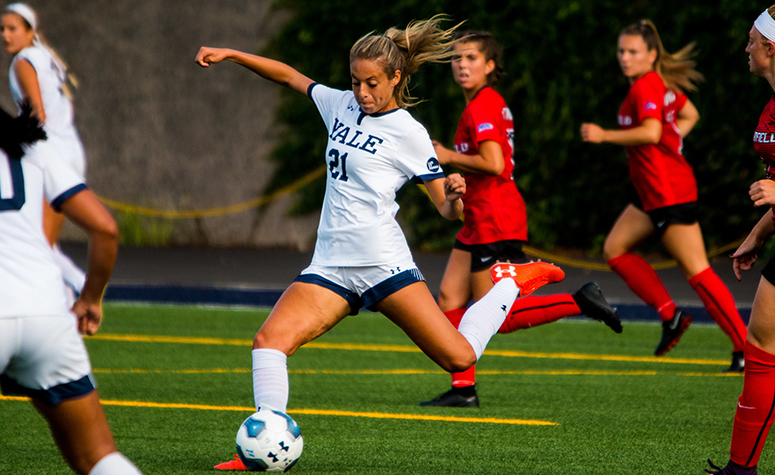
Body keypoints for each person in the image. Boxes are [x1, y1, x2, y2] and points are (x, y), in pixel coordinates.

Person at [195, 16, 565, 471]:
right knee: (269, 341)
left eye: (373, 83)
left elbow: (447, 212)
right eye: (355, 82)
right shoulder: (339, 105)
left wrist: (453, 198)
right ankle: (260, 444)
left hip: (384, 266)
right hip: (330, 267)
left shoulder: (408, 132)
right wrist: (232, 54)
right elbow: (290, 75)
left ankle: (509, 281)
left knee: (458, 357)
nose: (363, 93)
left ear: (396, 78)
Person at [419, 31, 622, 408]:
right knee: (449, 296)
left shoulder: (482, 105)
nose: (462, 64)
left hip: (494, 216)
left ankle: (579, 302)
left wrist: (447, 155)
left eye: (471, 58)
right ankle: (463, 390)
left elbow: (494, 164)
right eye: (457, 58)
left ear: (491, 65)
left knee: (493, 313)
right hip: (480, 216)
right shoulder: (484, 102)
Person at [580, 20, 747, 371]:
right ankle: (671, 315)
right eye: (621, 51)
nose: (624, 58)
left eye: (633, 52)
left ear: (651, 55)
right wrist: (674, 140)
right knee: (615, 249)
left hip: (668, 190)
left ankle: (745, 348)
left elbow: (653, 131)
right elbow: (690, 114)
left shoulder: (645, 87)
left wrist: (604, 136)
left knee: (697, 270)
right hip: (651, 189)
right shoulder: (654, 84)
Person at [0, 103, 141, 475]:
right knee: (97, 457)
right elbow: (105, 229)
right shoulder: (32, 145)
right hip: (47, 313)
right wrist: (90, 298)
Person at [705, 7, 775, 474]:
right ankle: (740, 468)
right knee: (763, 342)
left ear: (771, 49)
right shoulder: (770, 106)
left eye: (752, 40)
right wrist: (755, 234)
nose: (745, 48)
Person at [2, 2, 86, 303]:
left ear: (31, 31)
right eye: (2, 29)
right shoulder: (44, 56)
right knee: (42, 241)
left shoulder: (23, 61)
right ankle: (69, 292)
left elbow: (39, 116)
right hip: (70, 149)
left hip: (50, 155)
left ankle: (73, 291)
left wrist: (8, 138)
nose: (5, 35)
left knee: (38, 243)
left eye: (12, 29)